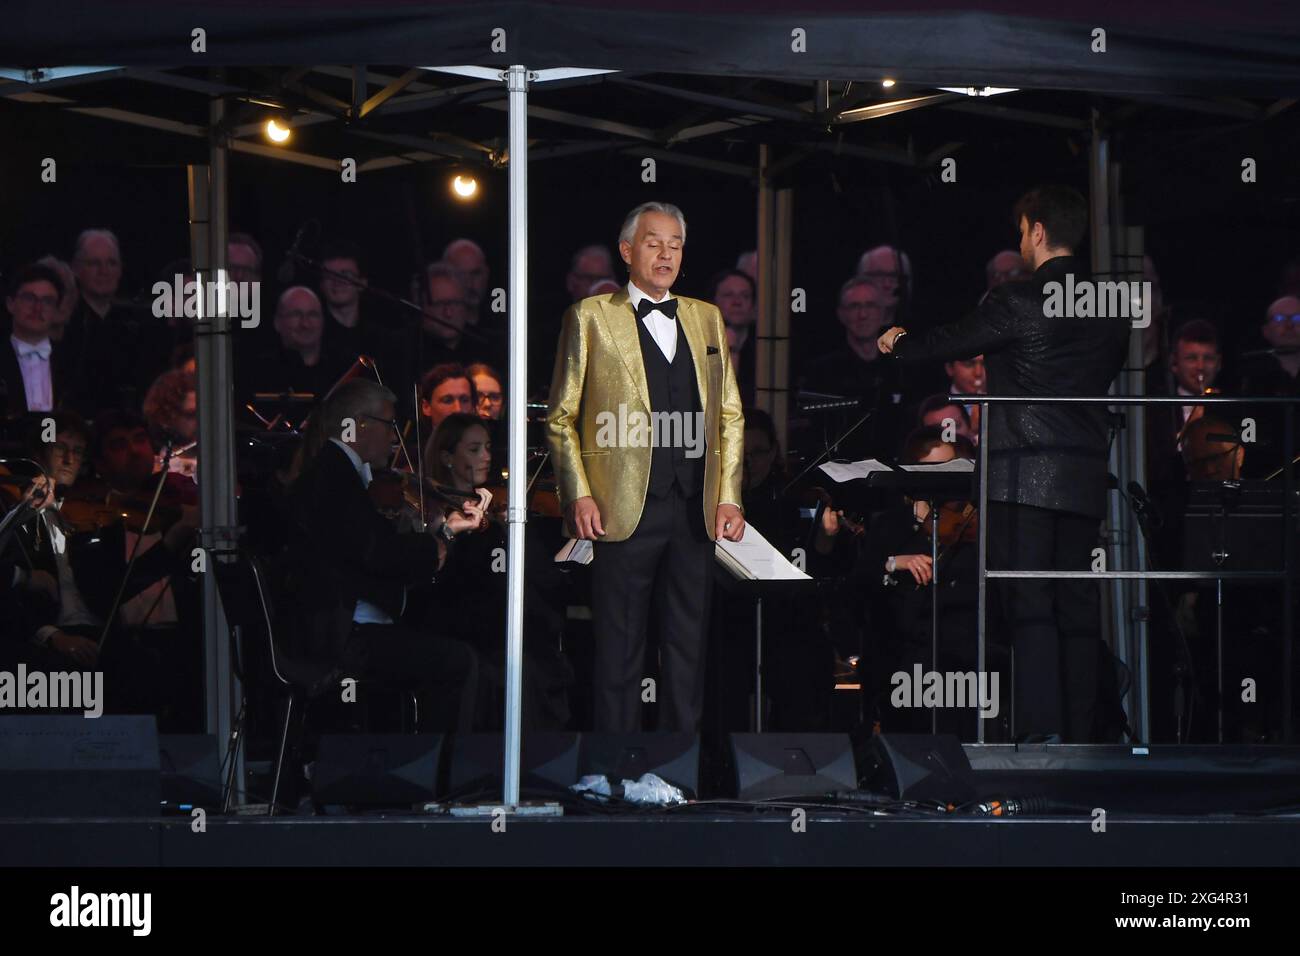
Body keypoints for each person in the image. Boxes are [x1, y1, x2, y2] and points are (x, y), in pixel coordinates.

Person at [878, 184, 1130, 742]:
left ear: (1037, 231)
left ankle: (1042, 738)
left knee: (1031, 604)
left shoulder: (1016, 299)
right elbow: (1104, 370)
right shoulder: (1110, 307)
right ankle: (1085, 737)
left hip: (1022, 475)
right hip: (1084, 474)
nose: (1020, 240)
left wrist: (899, 343)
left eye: (1021, 231)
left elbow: (952, 341)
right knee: (1078, 604)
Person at [546, 201, 745, 733]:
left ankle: (679, 775)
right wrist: (578, 494)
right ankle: (615, 771)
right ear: (628, 251)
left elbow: (729, 414)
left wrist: (729, 495)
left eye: (676, 244)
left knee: (686, 649)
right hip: (620, 507)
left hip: (694, 509)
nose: (666, 254)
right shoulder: (590, 316)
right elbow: (561, 417)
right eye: (654, 242)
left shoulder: (706, 316)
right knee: (620, 648)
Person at [282, 379, 486, 730]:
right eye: (389, 424)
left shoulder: (331, 474)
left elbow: (368, 550)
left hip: (331, 630)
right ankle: (441, 776)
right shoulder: (335, 479)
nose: (395, 437)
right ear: (359, 424)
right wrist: (444, 535)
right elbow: (379, 554)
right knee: (461, 661)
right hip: (342, 638)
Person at [1, 263, 72, 416]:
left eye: (47, 301)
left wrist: (51, 438)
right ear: (10, 304)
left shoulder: (71, 360)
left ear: (56, 310)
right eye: (29, 298)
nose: (38, 308)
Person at [708, 269, 757, 406]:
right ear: (712, 303)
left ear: (754, 306)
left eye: (745, 296)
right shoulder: (696, 342)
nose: (737, 302)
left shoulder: (764, 348)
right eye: (728, 295)